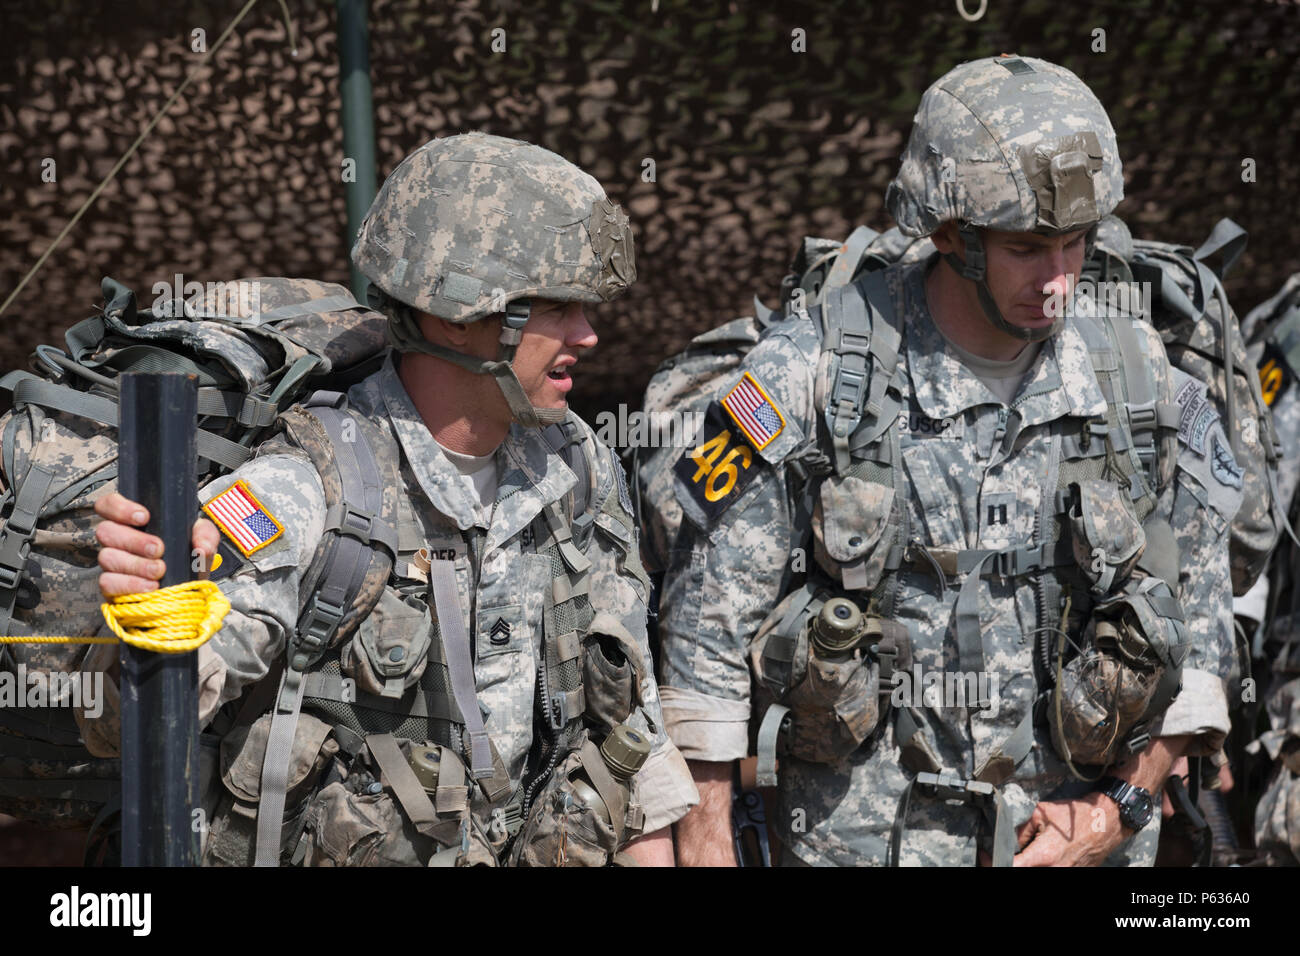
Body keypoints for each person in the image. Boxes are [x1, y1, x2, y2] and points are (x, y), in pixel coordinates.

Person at [652, 55, 1235, 866]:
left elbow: (1200, 620)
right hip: (862, 844)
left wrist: (1123, 805)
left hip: (1073, 842)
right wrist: (709, 842)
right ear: (953, 236)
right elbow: (705, 629)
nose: (1060, 279)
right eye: (1030, 248)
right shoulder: (808, 373)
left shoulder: (1140, 380)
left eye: (1077, 244)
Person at [93, 131, 697, 866]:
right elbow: (144, 714)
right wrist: (151, 609)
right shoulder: (312, 488)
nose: (589, 334)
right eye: (559, 307)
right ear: (458, 314)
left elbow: (630, 742)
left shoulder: (577, 464)